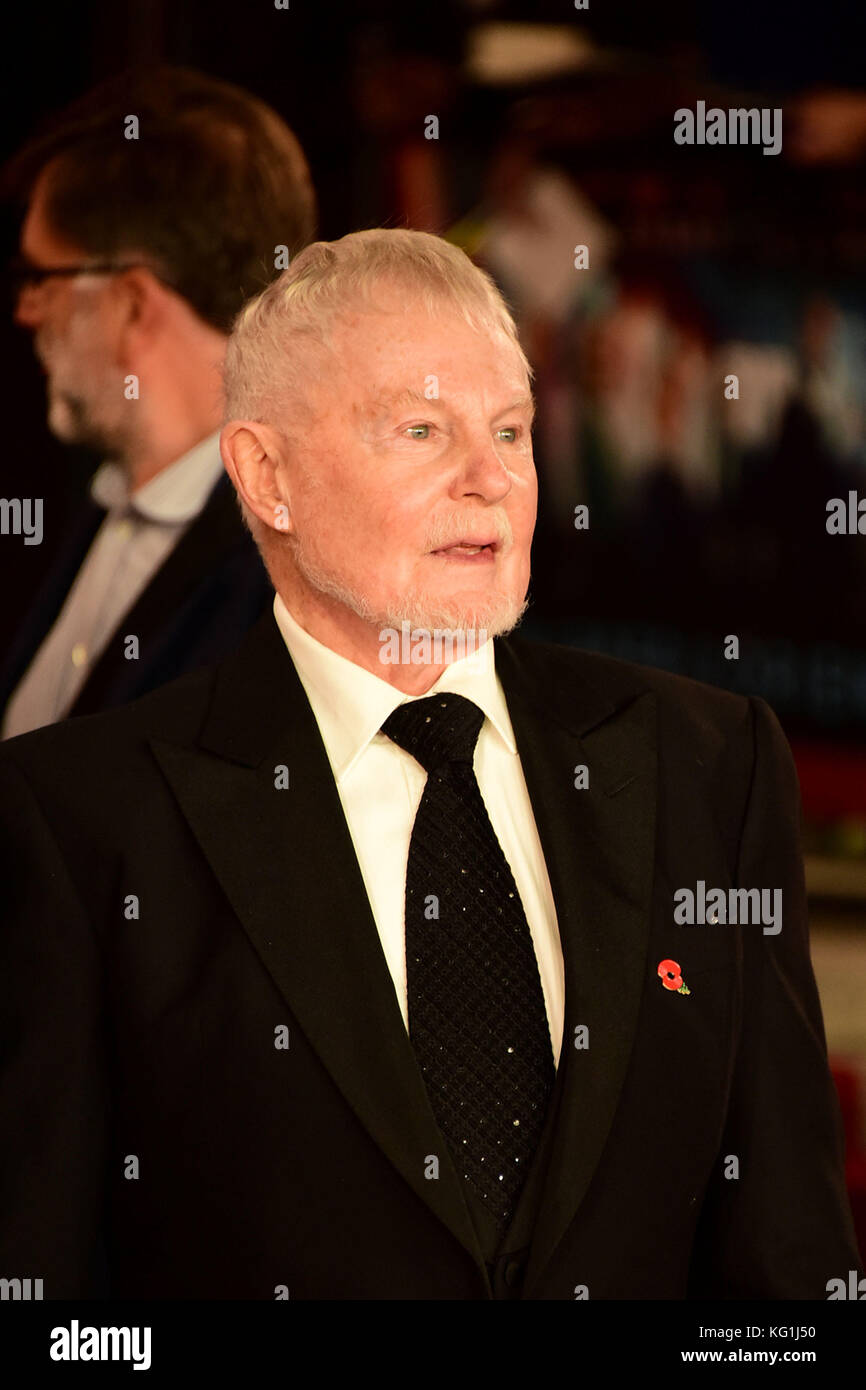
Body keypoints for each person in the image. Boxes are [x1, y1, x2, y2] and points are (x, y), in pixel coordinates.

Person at [0, 229, 860, 1300]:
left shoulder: (706, 763)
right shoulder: (81, 820)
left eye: (509, 429)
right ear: (267, 475)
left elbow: (786, 1262)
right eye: (421, 429)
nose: (489, 478)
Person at [0, 65, 316, 736]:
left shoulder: (291, 575)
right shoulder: (99, 502)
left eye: (42, 276)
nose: (26, 309)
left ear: (132, 303)